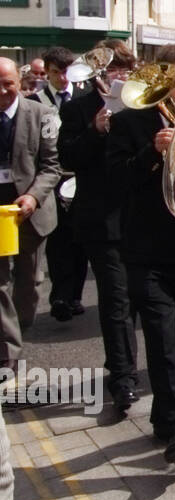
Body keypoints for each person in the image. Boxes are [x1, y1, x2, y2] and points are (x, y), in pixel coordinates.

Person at [106, 44, 175, 465]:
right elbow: (115, 182)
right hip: (149, 249)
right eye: (173, 87)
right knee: (161, 338)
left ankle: (165, 414)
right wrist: (151, 154)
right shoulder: (128, 123)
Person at [57, 41, 140, 415]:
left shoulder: (143, 102)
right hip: (101, 219)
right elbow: (68, 157)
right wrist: (95, 130)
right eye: (112, 70)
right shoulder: (77, 109)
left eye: (124, 69)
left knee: (141, 300)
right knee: (116, 300)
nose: (118, 76)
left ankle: (135, 365)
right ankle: (122, 377)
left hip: (140, 216)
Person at [0, 58, 61, 372]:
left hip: (29, 210)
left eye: (7, 83)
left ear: (18, 82)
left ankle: (19, 328)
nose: (2, 91)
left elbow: (52, 167)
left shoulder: (43, 114)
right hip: (0, 212)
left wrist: (34, 197)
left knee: (29, 282)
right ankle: (8, 350)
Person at [29, 46, 89, 322]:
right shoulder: (35, 101)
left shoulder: (84, 97)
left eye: (66, 73)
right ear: (47, 73)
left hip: (79, 176)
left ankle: (74, 294)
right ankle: (60, 296)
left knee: (78, 239)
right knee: (57, 239)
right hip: (50, 176)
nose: (62, 79)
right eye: (56, 73)